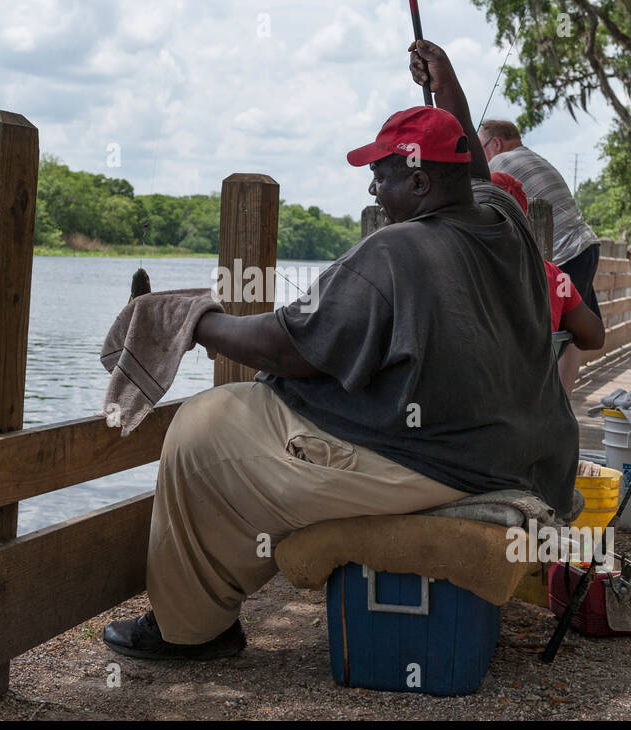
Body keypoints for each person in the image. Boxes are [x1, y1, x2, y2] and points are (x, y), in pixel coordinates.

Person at [102, 41, 578, 661]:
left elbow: (287, 346)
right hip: (524, 455)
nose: (374, 189)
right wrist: (449, 83)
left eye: (381, 174)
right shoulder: (506, 223)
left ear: (419, 180)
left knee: (202, 428)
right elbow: (475, 172)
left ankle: (189, 630)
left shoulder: (396, 252)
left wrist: (195, 317)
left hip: (446, 466)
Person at [481, 120, 600, 389]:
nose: (481, 157)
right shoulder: (533, 158)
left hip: (566, 250)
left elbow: (470, 188)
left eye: (481, 148)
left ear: (495, 144)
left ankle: (555, 402)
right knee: (573, 330)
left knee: (560, 331)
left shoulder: (500, 163)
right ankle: (561, 402)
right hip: (584, 246)